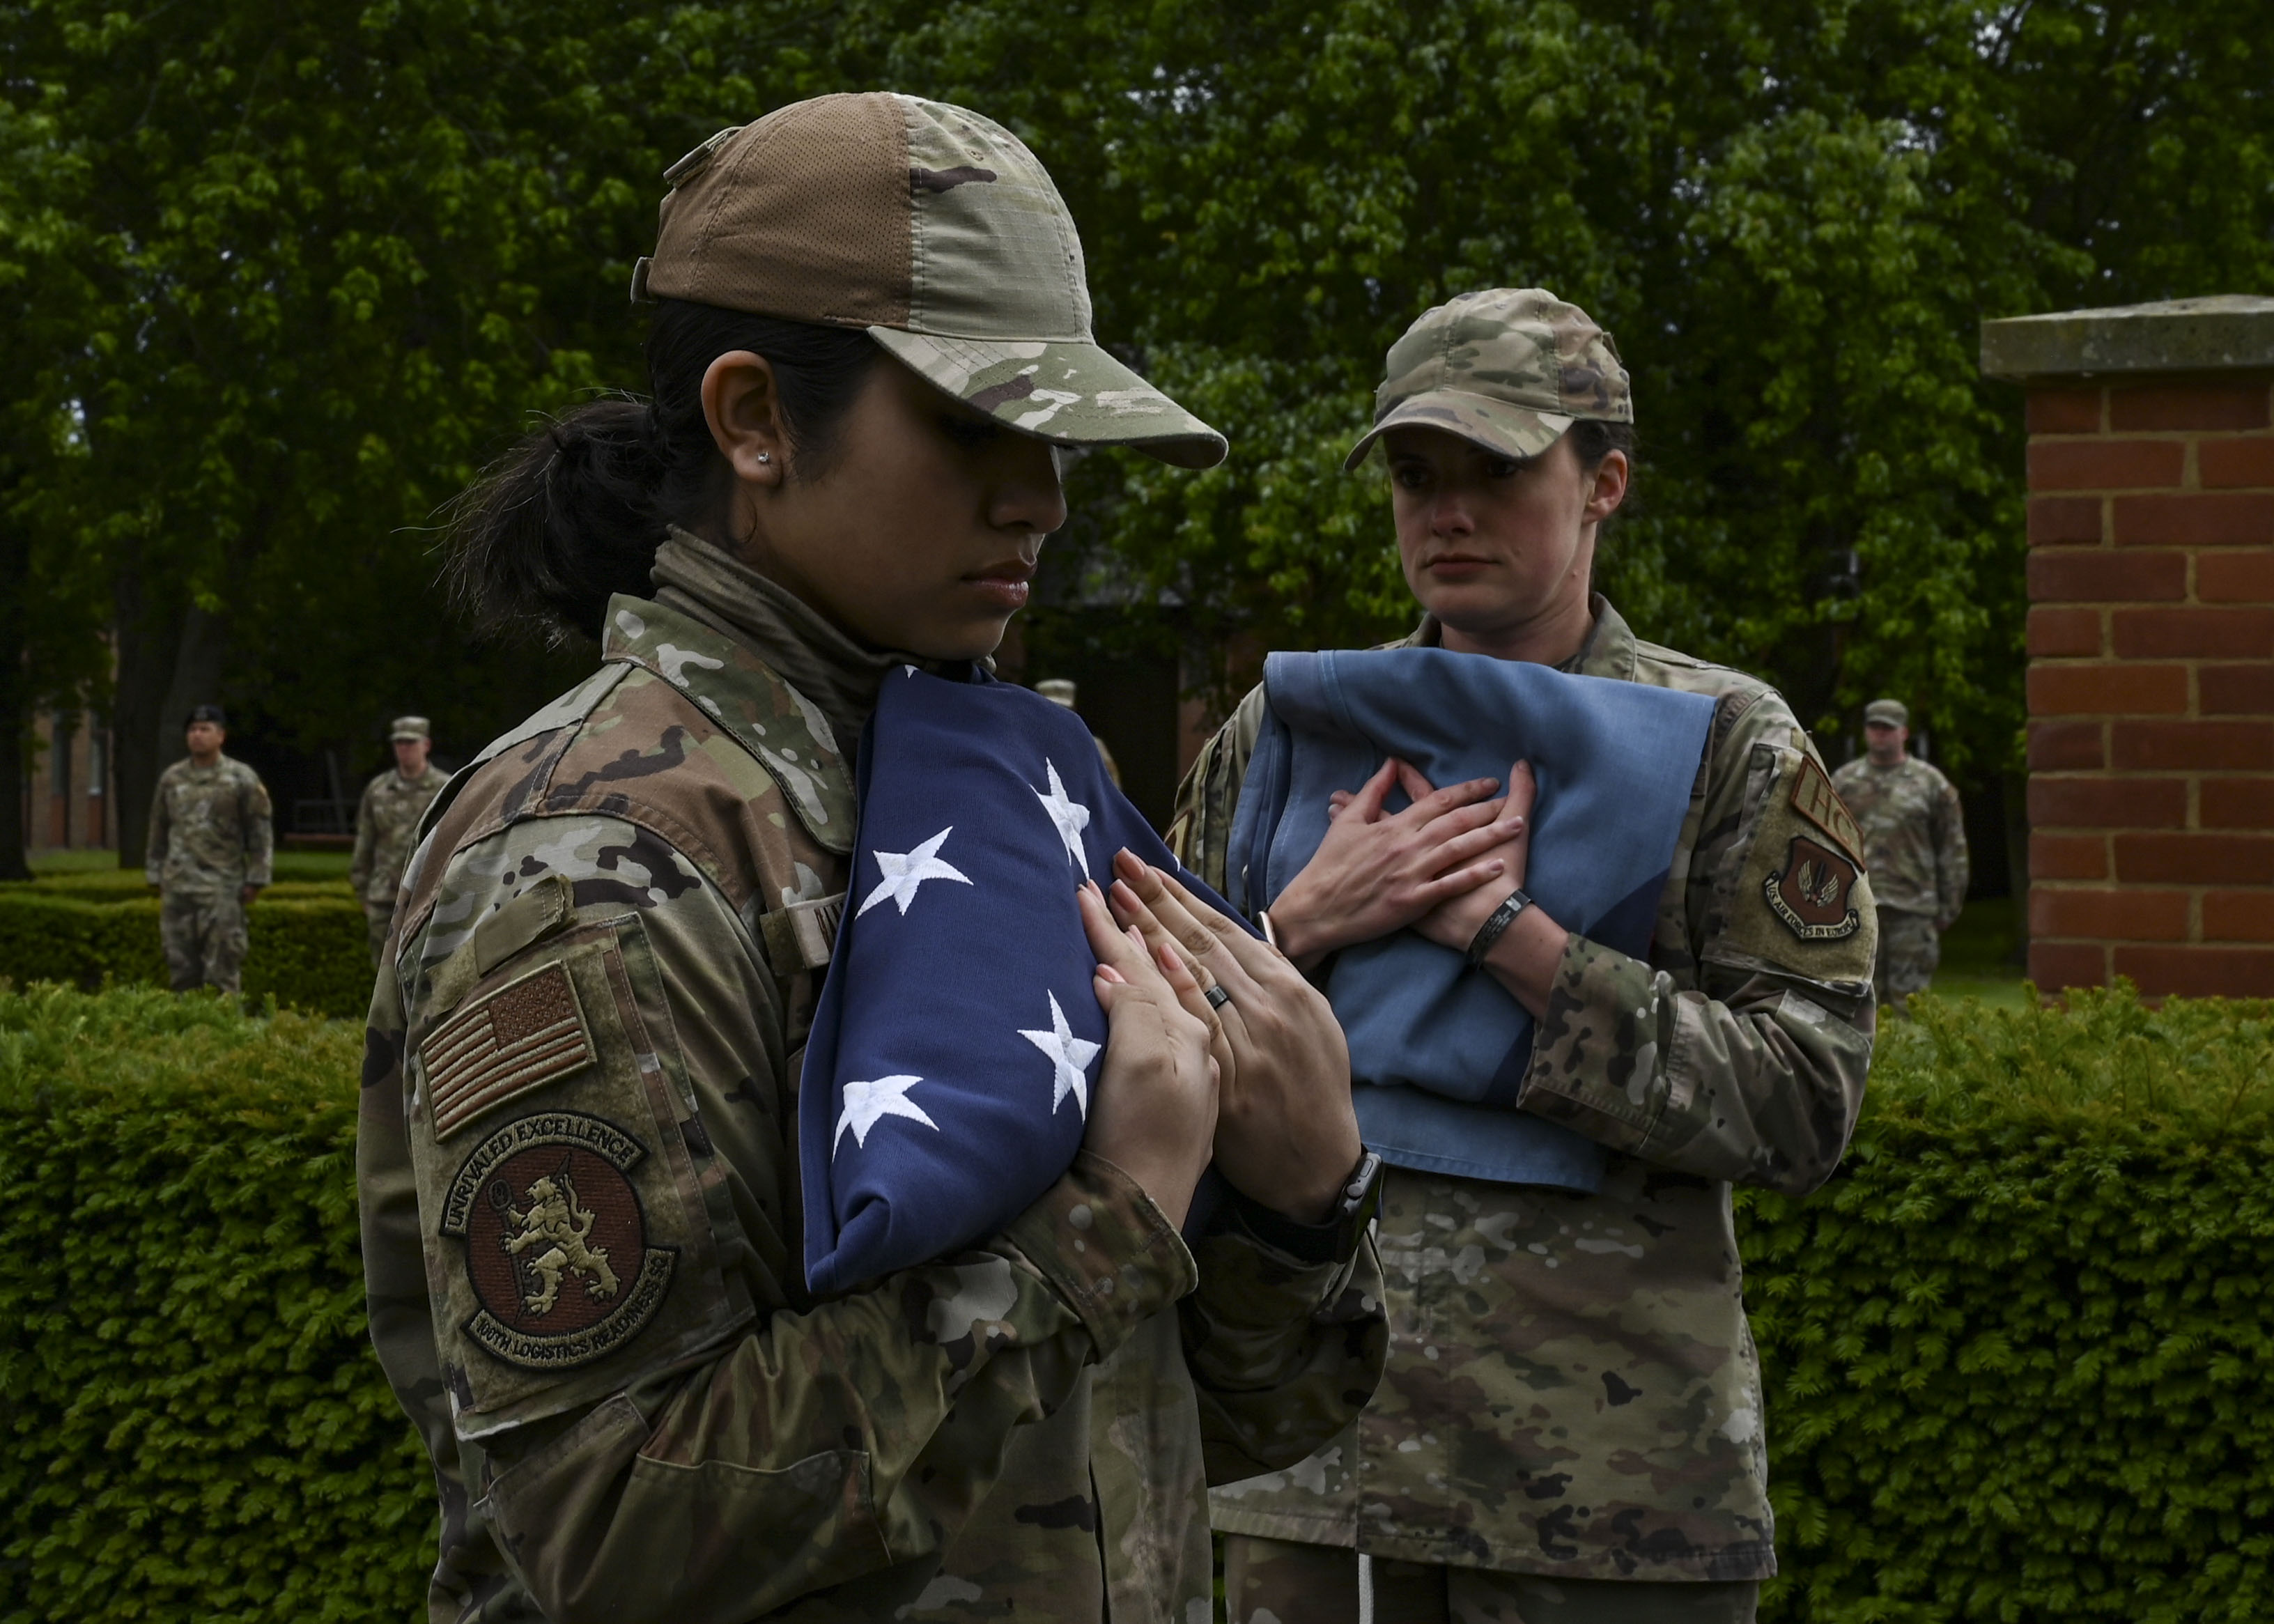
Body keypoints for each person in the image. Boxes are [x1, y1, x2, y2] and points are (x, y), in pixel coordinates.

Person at [357, 91, 1384, 1624]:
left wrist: (1299, 1202)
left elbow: (1147, 1432)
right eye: (980, 424)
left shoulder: (1010, 784)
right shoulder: (591, 858)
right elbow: (616, 1526)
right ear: (755, 418)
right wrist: (1108, 1214)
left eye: (1060, 438)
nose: (1040, 497)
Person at [1171, 288, 1878, 1624]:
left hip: (1603, 1499)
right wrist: (1301, 925)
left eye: (1495, 471)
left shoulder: (1725, 742)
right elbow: (1130, 1040)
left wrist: (1520, 943)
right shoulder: (1287, 730)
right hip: (1312, 1475)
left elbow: (1803, 1103)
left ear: (1603, 481)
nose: (1445, 511)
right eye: (1412, 473)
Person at [1832, 699, 1968, 1012]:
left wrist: (1950, 906)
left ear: (1904, 733)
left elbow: (1952, 848)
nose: (1880, 735)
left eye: (1888, 728)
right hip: (1856, 910)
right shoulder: (1844, 782)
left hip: (1913, 910)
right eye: (1874, 727)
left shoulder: (1930, 784)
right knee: (1857, 1006)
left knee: (1912, 1006)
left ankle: (1911, 1062)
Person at [144, 703, 273, 996]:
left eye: (205, 729)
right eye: (192, 730)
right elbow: (158, 829)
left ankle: (224, 1035)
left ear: (221, 736)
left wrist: (256, 878)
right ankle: (184, 1036)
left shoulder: (241, 778)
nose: (198, 735)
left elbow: (259, 831)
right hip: (178, 888)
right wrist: (155, 874)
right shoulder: (172, 779)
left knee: (222, 971)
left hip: (221, 889)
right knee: (180, 970)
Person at [350, 716, 450, 966]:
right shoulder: (379, 789)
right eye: (399, 743)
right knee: (382, 971)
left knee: (425, 972)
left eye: (410, 743)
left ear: (426, 745)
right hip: (385, 897)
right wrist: (362, 889)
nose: (404, 749)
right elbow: (366, 840)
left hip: (429, 895)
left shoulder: (444, 788)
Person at [1034, 676, 1123, 786]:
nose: (1058, 715)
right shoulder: (1027, 743)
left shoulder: (1093, 746)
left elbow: (1112, 786)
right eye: (1051, 709)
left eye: (1064, 710)